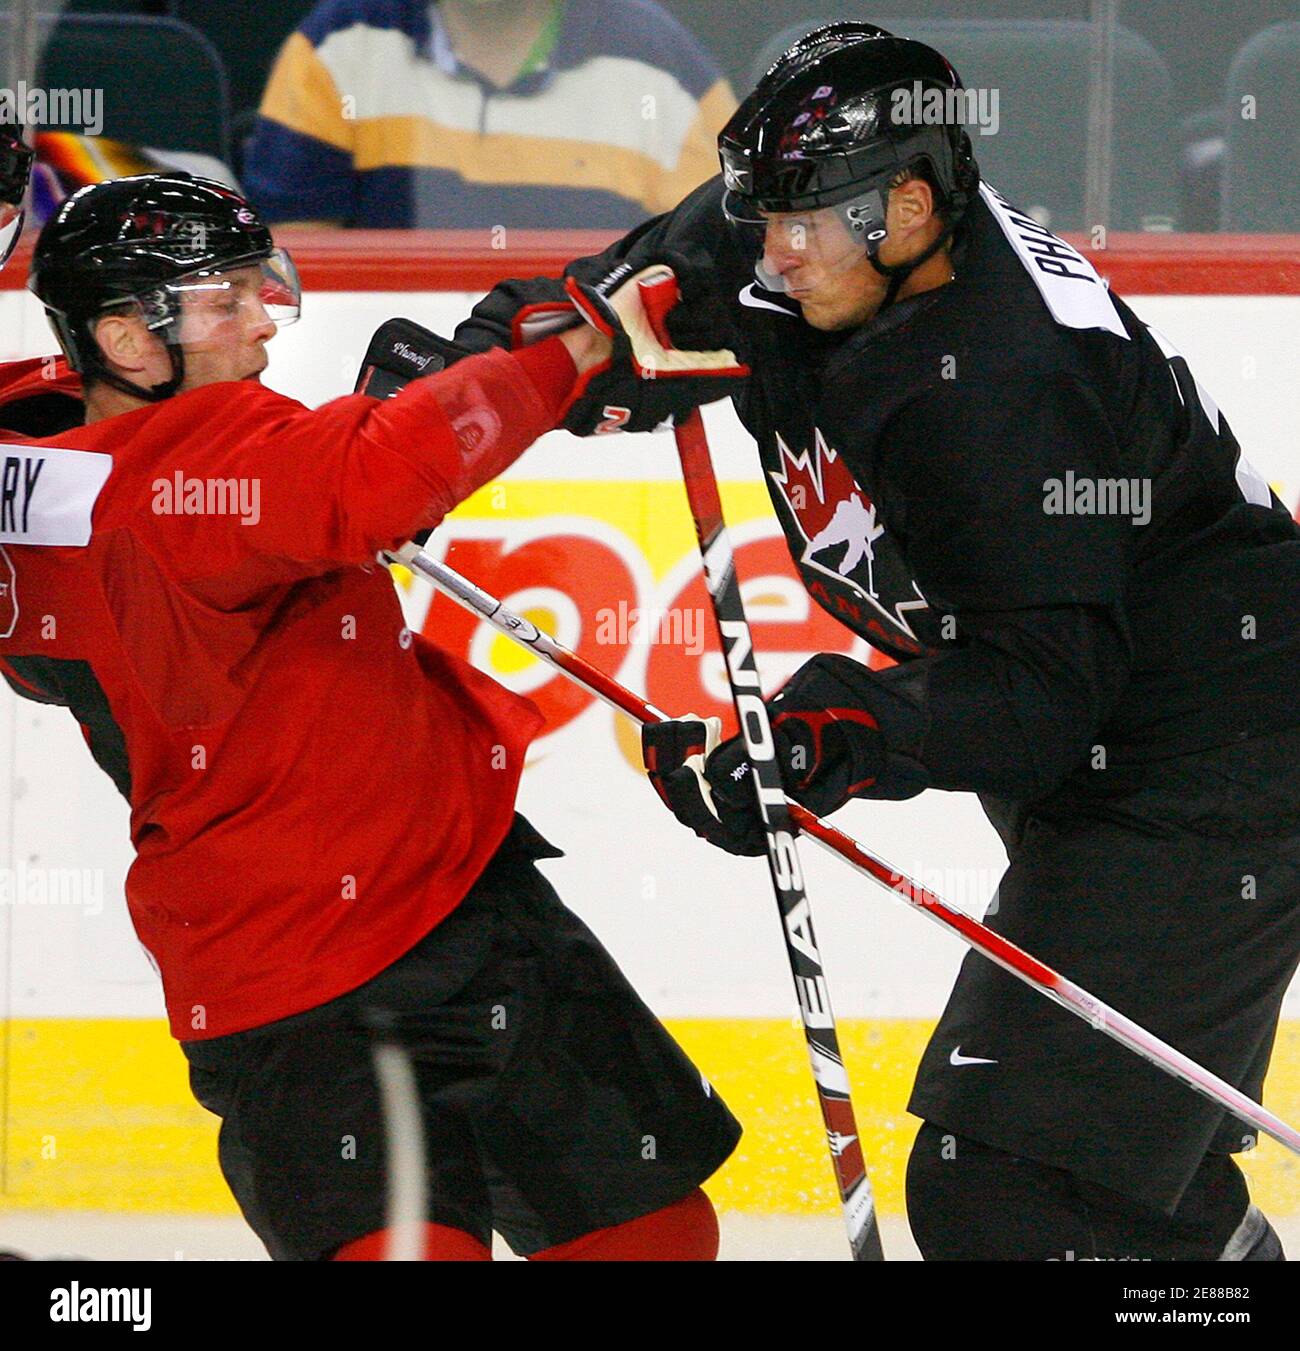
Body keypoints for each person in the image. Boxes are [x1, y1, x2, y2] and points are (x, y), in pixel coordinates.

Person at [453, 22, 1300, 1261]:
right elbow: (619, 317)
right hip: (1106, 733)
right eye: (766, 215)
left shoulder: (1003, 385)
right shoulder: (801, 230)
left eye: (806, 226)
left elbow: (1035, 695)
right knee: (1104, 1159)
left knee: (1005, 1188)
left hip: (1215, 765)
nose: (772, 257)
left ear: (909, 207)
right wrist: (460, 387)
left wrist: (831, 731)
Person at [0, 172, 744, 1261]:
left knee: (651, 1237)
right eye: (223, 303)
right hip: (306, 977)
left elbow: (60, 646)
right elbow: (368, 485)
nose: (260, 319)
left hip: (465, 898)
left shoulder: (34, 448)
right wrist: (582, 343)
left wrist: (328, 475)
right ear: (123, 337)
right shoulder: (172, 484)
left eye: (260, 288)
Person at [242, 0, 736, 229]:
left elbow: (713, 257)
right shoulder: (334, 46)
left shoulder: (665, 64)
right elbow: (296, 267)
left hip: (601, 390)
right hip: (391, 391)